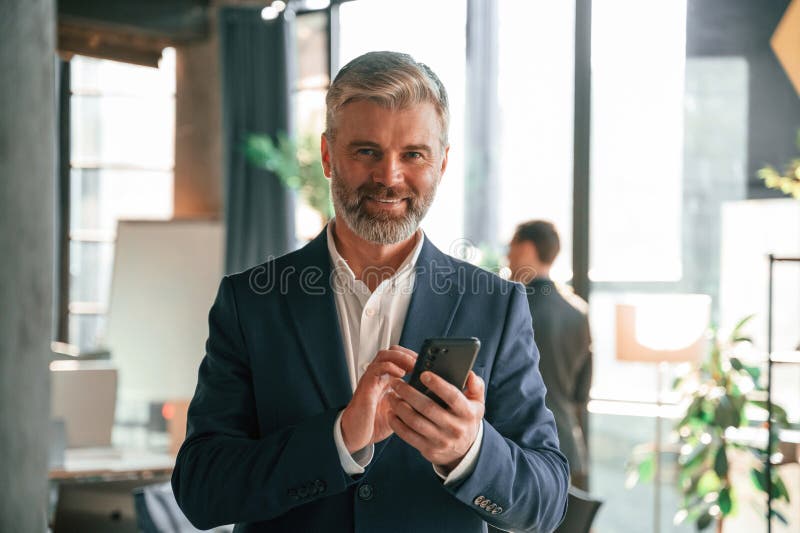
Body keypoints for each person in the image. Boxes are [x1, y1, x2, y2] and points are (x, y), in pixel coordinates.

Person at [172, 51, 568, 532]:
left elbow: (546, 503)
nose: (389, 176)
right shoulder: (250, 302)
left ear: (442, 163)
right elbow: (200, 490)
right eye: (366, 151)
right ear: (327, 156)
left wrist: (468, 452)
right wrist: (339, 439)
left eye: (413, 155)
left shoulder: (497, 305)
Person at [507, 220, 593, 490]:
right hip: (564, 443)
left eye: (512, 249)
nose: (507, 258)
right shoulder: (578, 312)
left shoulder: (508, 305)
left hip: (516, 445)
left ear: (527, 249)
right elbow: (582, 392)